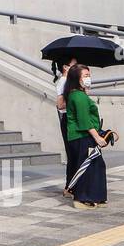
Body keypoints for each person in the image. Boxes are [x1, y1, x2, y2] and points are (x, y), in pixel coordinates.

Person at [63, 64, 110, 208]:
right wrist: (98, 138)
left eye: (89, 75)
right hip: (82, 136)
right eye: (85, 76)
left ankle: (95, 196)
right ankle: (82, 198)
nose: (89, 78)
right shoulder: (78, 96)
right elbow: (84, 121)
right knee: (87, 167)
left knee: (95, 166)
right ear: (76, 79)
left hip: (80, 136)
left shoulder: (77, 94)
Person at [53, 57, 80, 196]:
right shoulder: (63, 82)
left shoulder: (69, 82)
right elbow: (60, 105)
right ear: (65, 67)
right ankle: (69, 187)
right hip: (67, 119)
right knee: (72, 154)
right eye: (74, 65)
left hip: (72, 120)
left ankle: (72, 185)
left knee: (75, 154)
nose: (76, 68)